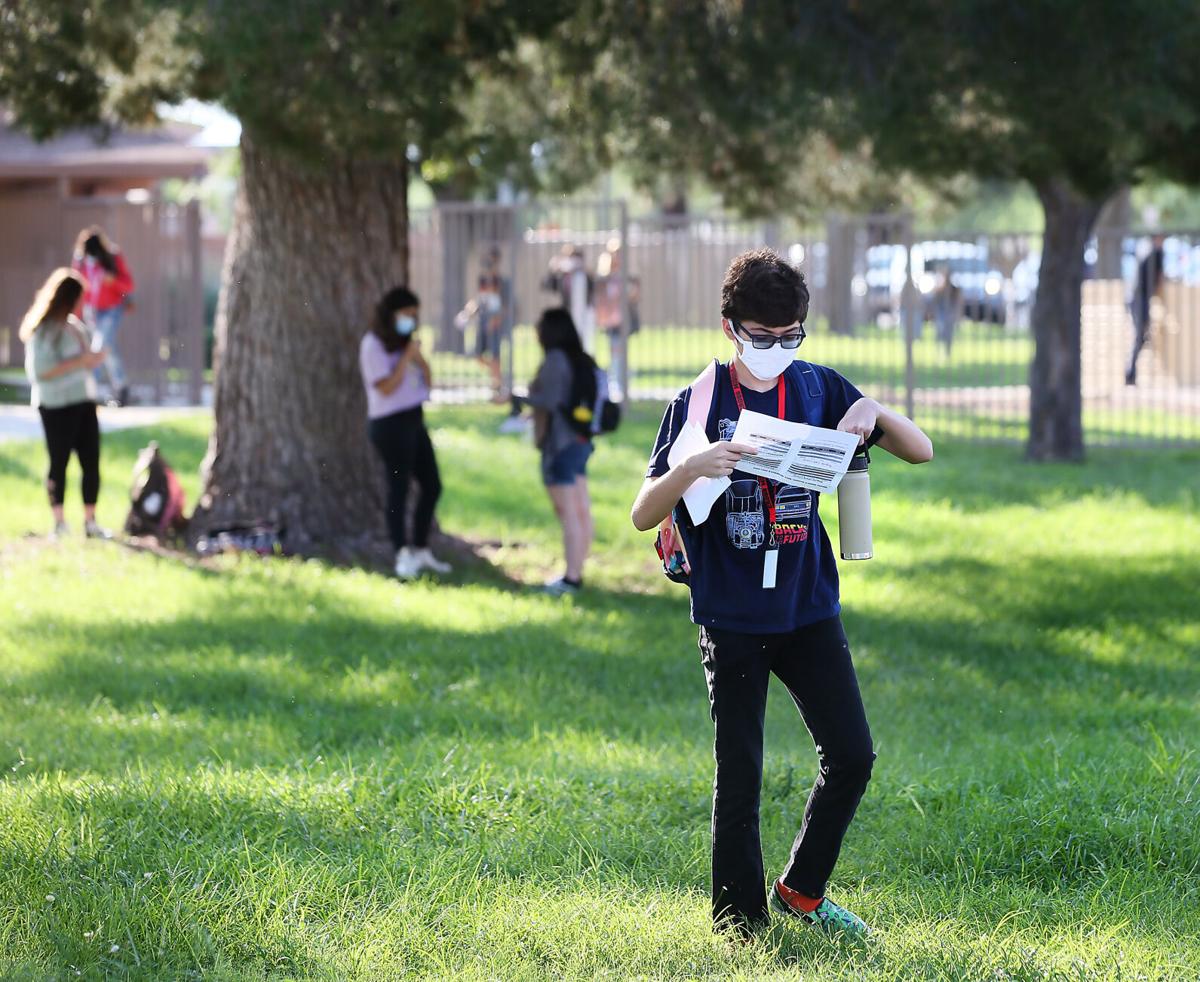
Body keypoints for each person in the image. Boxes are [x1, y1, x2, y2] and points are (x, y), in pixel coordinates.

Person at [630, 249, 933, 938]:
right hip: (732, 616)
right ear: (730, 326)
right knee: (740, 774)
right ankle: (740, 925)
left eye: (790, 335)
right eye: (761, 336)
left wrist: (870, 412)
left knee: (852, 753)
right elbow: (643, 514)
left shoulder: (821, 386)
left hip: (807, 610)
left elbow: (920, 451)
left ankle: (802, 890)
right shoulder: (698, 403)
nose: (776, 349)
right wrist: (693, 465)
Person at [359, 286, 452, 580]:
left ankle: (422, 547)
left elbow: (426, 379)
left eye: (415, 315)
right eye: (406, 314)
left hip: (414, 418)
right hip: (390, 424)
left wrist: (418, 358)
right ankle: (402, 552)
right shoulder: (373, 344)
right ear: (392, 314)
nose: (411, 320)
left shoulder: (405, 343)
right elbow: (385, 387)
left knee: (432, 485)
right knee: (398, 489)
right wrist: (405, 358)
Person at [20, 268, 111, 539]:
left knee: (91, 462)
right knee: (59, 462)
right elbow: (40, 371)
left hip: (83, 401)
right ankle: (59, 524)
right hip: (56, 406)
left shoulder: (75, 327)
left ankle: (90, 522)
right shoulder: (44, 331)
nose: (81, 303)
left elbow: (84, 361)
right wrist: (78, 363)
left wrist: (93, 359)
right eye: (78, 297)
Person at [526, 308, 596, 596]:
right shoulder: (580, 358)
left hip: (561, 443)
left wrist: (521, 397)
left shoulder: (555, 360)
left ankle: (572, 577)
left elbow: (550, 400)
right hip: (580, 440)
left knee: (567, 512)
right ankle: (577, 567)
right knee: (579, 509)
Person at [71, 226, 135, 407]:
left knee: (99, 345)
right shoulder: (81, 261)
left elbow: (128, 285)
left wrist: (113, 280)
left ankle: (88, 389)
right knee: (109, 350)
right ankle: (122, 388)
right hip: (91, 310)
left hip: (111, 309)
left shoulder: (112, 257)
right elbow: (75, 286)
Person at [454, 246, 513, 402]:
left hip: (496, 322)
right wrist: (469, 311)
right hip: (482, 320)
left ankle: (497, 386)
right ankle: (498, 375)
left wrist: (496, 320)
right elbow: (479, 299)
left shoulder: (503, 281)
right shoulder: (482, 279)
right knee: (478, 355)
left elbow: (507, 305)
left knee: (495, 355)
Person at [595, 238, 641, 401]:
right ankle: (617, 379)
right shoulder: (605, 277)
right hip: (612, 320)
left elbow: (634, 295)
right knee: (614, 350)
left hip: (625, 319)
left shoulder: (628, 276)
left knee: (621, 350)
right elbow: (602, 299)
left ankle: (622, 379)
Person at [1125, 234, 1165, 386]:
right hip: (1140, 300)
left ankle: (1131, 373)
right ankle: (1130, 373)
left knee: (1142, 337)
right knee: (1140, 337)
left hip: (1137, 299)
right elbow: (1160, 279)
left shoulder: (1148, 253)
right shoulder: (1157, 254)